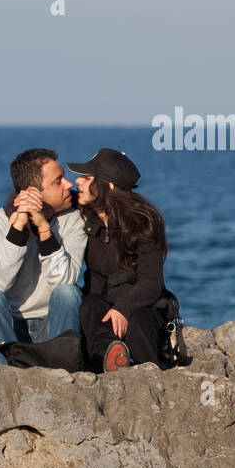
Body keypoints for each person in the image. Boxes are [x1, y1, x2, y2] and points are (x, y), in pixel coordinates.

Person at [0, 148, 86, 365]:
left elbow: (64, 281)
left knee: (68, 293)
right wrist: (17, 230)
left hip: (53, 325)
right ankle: (4, 376)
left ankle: (63, 369)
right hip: (11, 328)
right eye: (58, 181)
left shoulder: (73, 220)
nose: (69, 184)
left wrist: (45, 231)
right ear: (33, 192)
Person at [68, 148, 168, 372]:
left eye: (86, 178)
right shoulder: (86, 210)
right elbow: (47, 196)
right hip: (101, 306)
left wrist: (123, 309)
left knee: (139, 321)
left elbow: (152, 282)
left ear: (108, 186)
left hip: (139, 306)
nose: (77, 182)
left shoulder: (143, 222)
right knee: (90, 305)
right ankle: (113, 360)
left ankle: (147, 374)